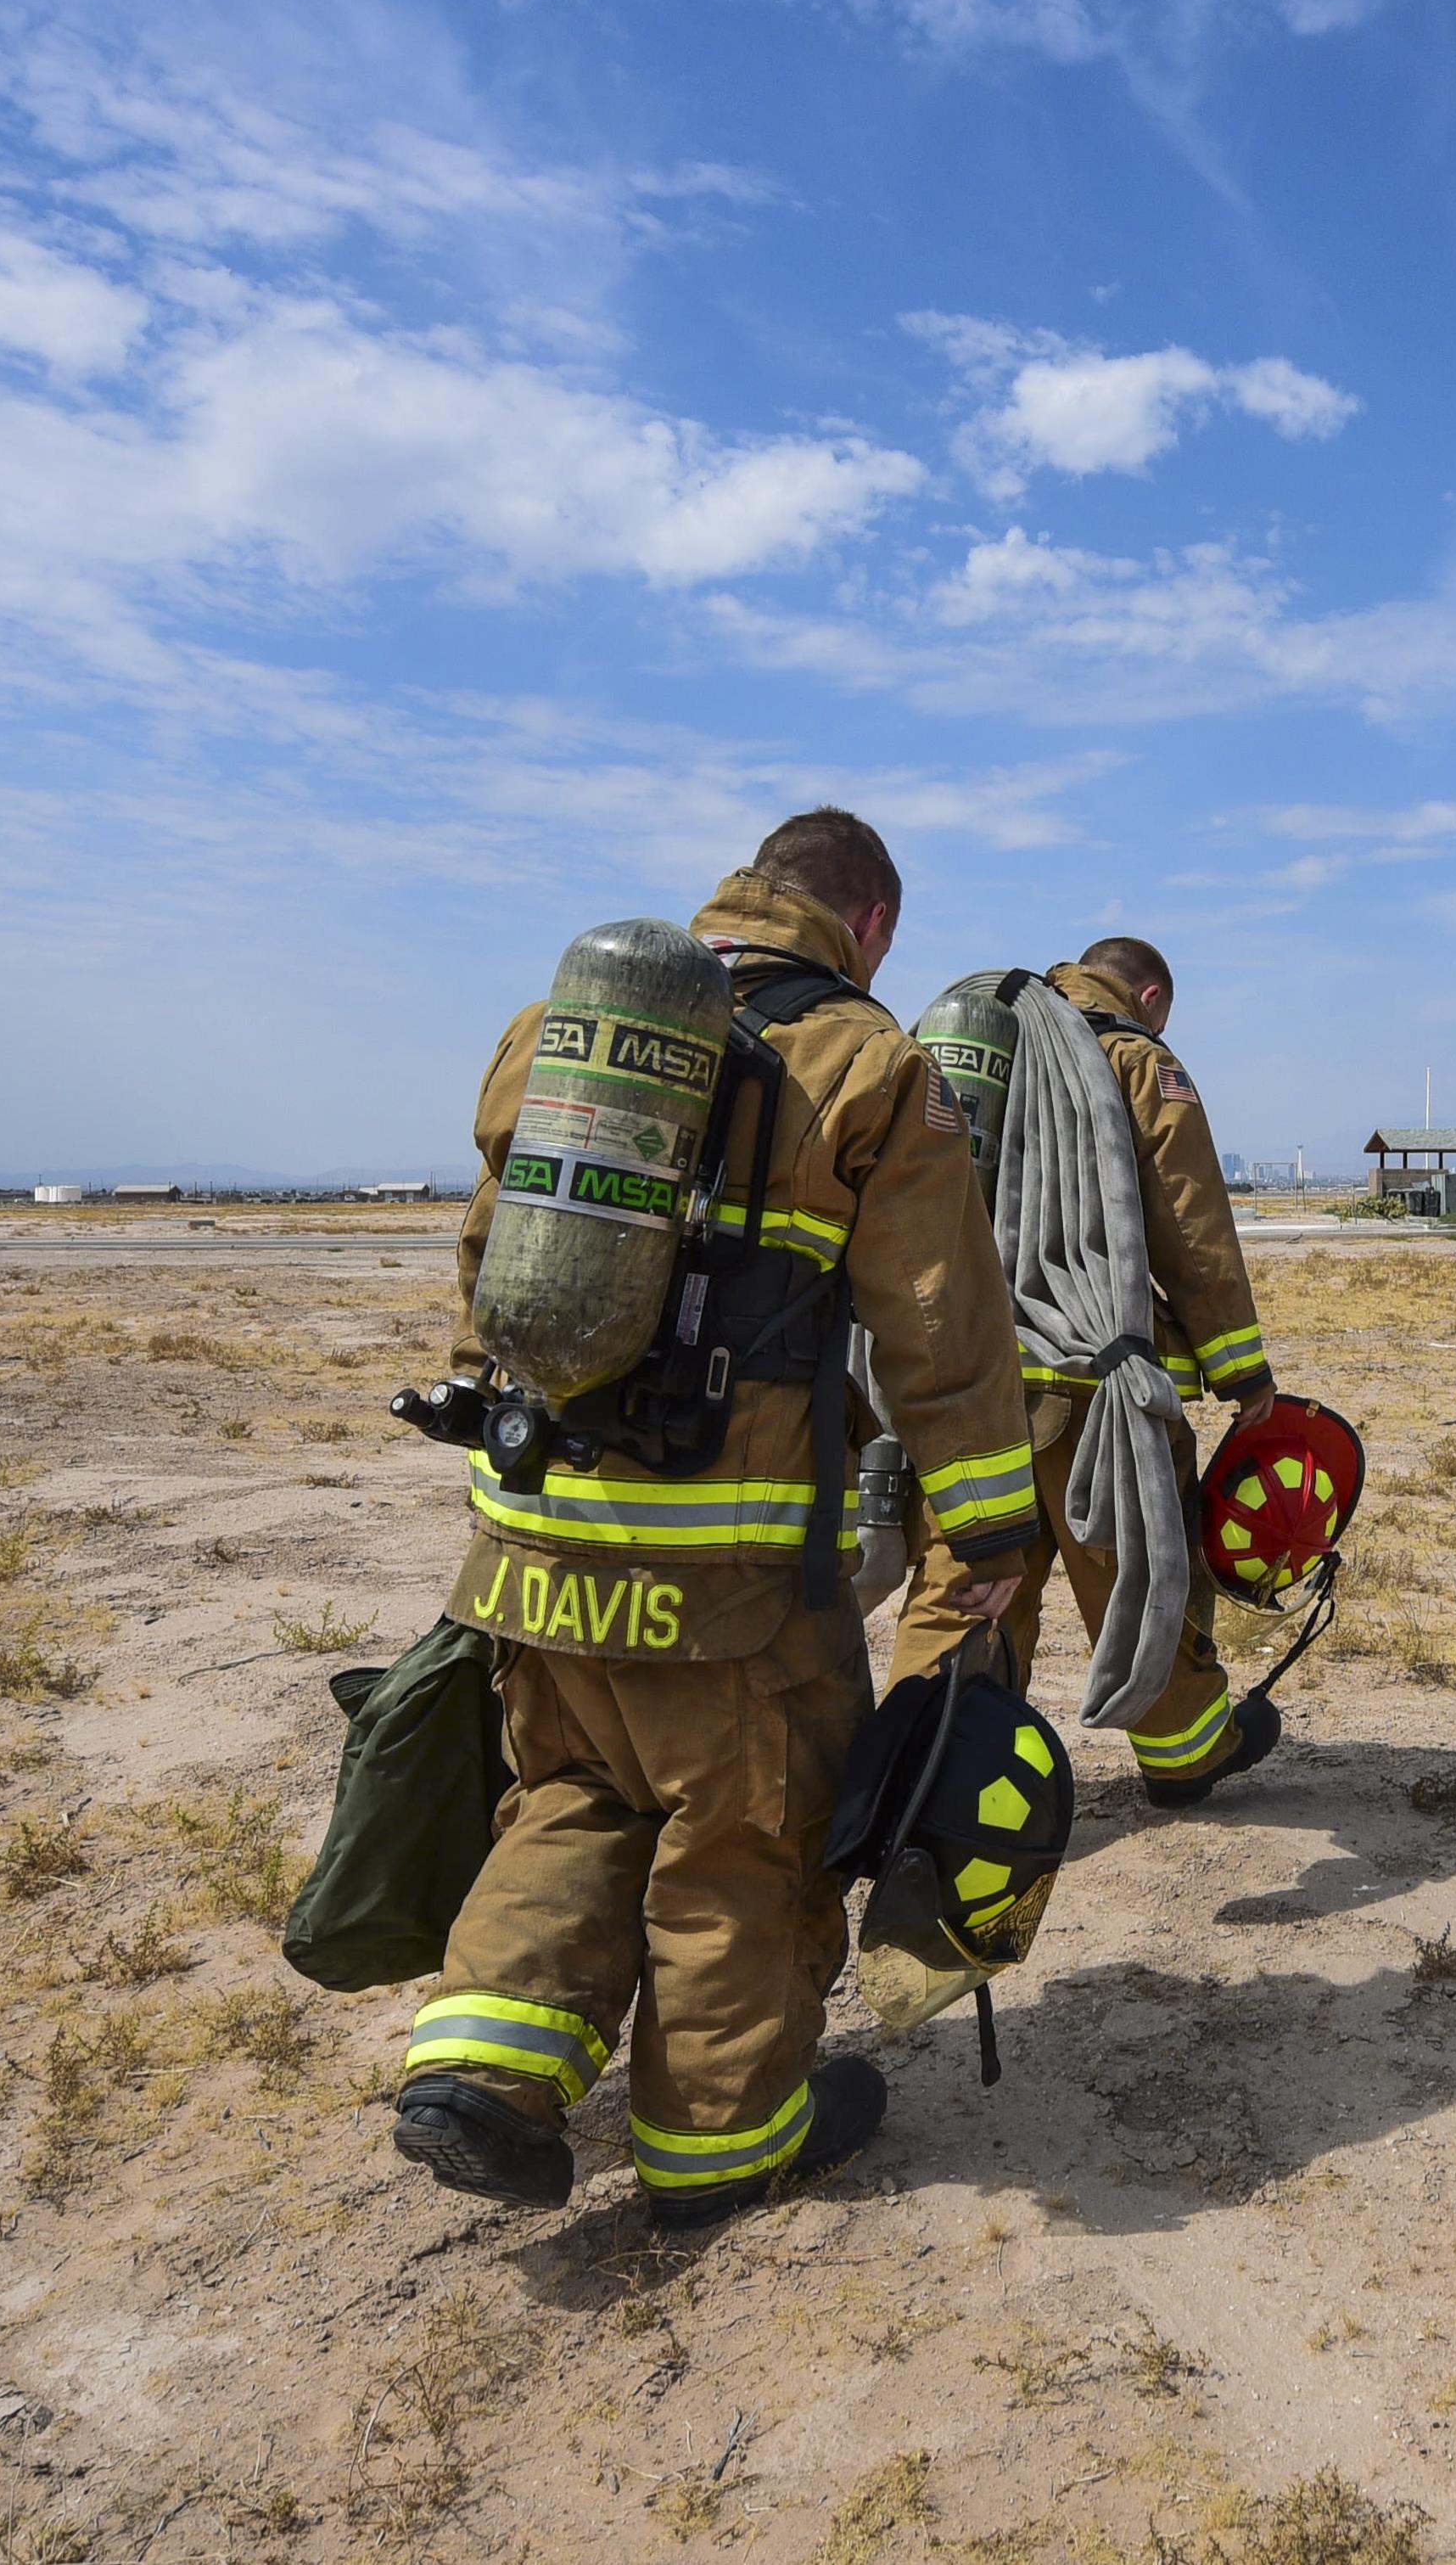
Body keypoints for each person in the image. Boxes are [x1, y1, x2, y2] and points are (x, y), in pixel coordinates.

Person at [391, 809, 1040, 2232]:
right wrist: (990, 1532)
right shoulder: (872, 1065)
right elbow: (939, 1323)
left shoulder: (563, 1033)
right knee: (741, 1843)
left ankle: (483, 2070)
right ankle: (722, 2147)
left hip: (534, 1548)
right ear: (872, 925)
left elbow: (488, 1261)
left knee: (569, 1793)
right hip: (728, 1579)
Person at [888, 935, 1287, 1804]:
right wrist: (1243, 1372)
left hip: (967, 1378)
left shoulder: (982, 1044)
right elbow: (1188, 1219)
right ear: (1150, 998)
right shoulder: (1134, 1059)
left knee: (967, 1578)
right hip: (1083, 1377)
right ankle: (1185, 1755)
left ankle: (926, 1781)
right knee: (1136, 1568)